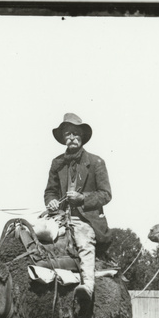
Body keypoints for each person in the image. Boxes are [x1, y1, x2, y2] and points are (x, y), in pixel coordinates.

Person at [43, 112, 112, 303]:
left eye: (75, 133)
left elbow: (106, 195)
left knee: (83, 242)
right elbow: (50, 192)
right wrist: (51, 202)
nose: (71, 137)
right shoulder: (57, 163)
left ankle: (88, 287)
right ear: (63, 138)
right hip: (59, 218)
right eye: (68, 134)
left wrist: (82, 198)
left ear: (82, 136)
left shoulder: (96, 162)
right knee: (35, 236)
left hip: (85, 219)